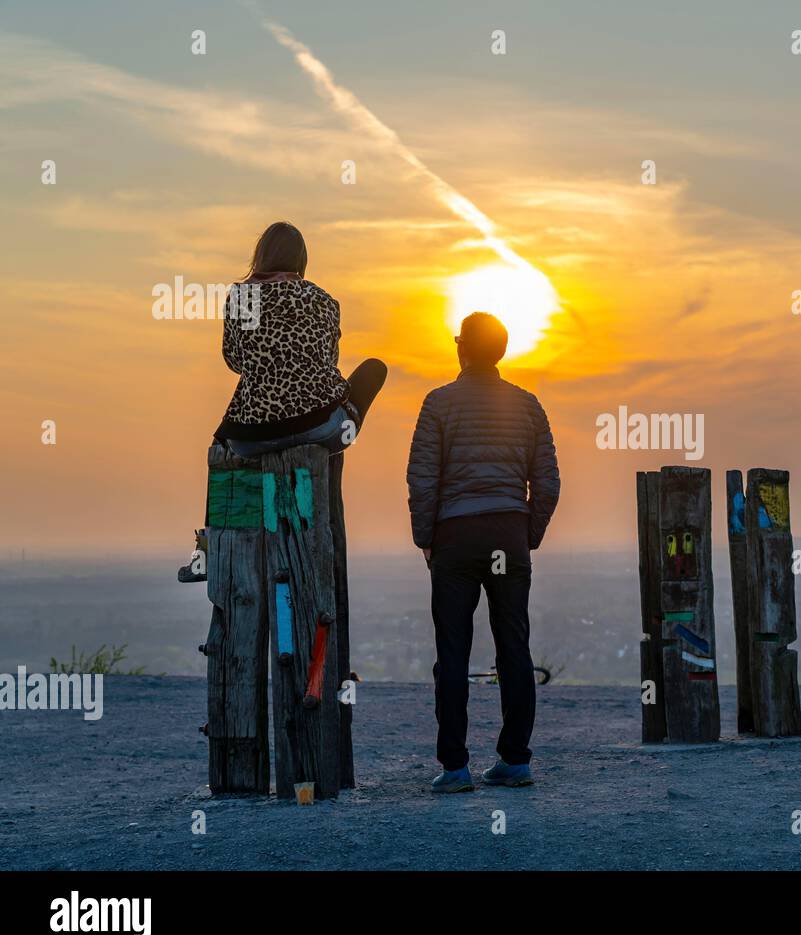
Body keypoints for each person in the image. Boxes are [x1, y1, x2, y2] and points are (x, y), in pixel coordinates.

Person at [178, 222, 386, 582]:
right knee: (374, 369)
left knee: (223, 448)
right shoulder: (324, 300)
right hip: (319, 428)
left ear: (261, 255)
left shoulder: (241, 297)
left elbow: (235, 360)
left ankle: (210, 542)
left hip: (251, 436)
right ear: (301, 260)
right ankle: (349, 418)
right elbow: (328, 360)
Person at [407, 312, 560, 793]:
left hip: (454, 537)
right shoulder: (528, 406)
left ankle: (455, 768)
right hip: (508, 535)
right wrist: (526, 534)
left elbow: (422, 480)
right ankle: (515, 760)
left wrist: (425, 539)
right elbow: (549, 483)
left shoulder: (438, 404)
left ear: (461, 348)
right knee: (513, 645)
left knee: (451, 652)